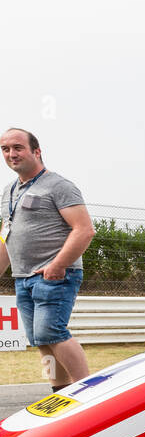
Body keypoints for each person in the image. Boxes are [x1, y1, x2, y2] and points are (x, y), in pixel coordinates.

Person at [0, 127, 94, 392]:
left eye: (18, 147)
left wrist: (58, 265)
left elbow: (84, 229)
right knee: (40, 339)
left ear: (36, 151)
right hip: (23, 277)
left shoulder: (58, 185)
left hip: (54, 275)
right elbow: (7, 236)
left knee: (52, 331)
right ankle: (61, 393)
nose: (11, 154)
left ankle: (88, 394)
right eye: (5, 149)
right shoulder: (8, 191)